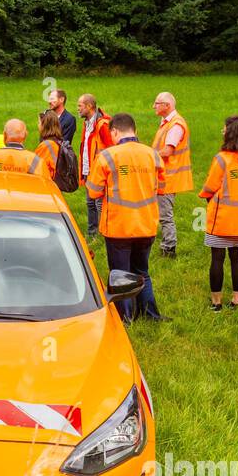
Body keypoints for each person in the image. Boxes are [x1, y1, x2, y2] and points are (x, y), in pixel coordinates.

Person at [86, 113, 166, 322]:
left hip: (118, 225)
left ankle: (126, 318)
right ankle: (150, 314)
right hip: (147, 224)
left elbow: (93, 191)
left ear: (114, 131)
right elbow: (162, 188)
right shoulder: (153, 155)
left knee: (120, 274)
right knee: (142, 271)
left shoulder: (107, 156)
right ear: (135, 130)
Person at [199, 116, 238, 311]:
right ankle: (236, 300)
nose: (222, 131)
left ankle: (216, 303)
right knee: (237, 257)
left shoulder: (222, 159)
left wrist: (206, 196)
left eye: (224, 129)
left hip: (221, 218)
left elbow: (210, 186)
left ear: (230, 133)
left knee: (217, 258)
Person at [152, 91, 191, 257]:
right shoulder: (167, 122)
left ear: (167, 106)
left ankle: (169, 248)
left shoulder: (176, 125)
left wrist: (147, 156)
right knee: (162, 213)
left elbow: (167, 151)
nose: (154, 106)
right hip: (164, 176)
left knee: (165, 215)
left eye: (157, 103)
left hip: (169, 178)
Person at [78, 94, 114, 238]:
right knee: (90, 203)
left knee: (99, 204)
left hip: (99, 172)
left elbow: (112, 148)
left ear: (89, 106)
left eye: (80, 106)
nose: (78, 109)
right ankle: (92, 233)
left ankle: (103, 234)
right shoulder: (87, 123)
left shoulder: (102, 124)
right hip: (88, 170)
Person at [35, 111, 64, 180]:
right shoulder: (58, 141)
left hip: (47, 184)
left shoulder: (46, 146)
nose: (38, 125)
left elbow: (35, 168)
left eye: (39, 122)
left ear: (44, 125)